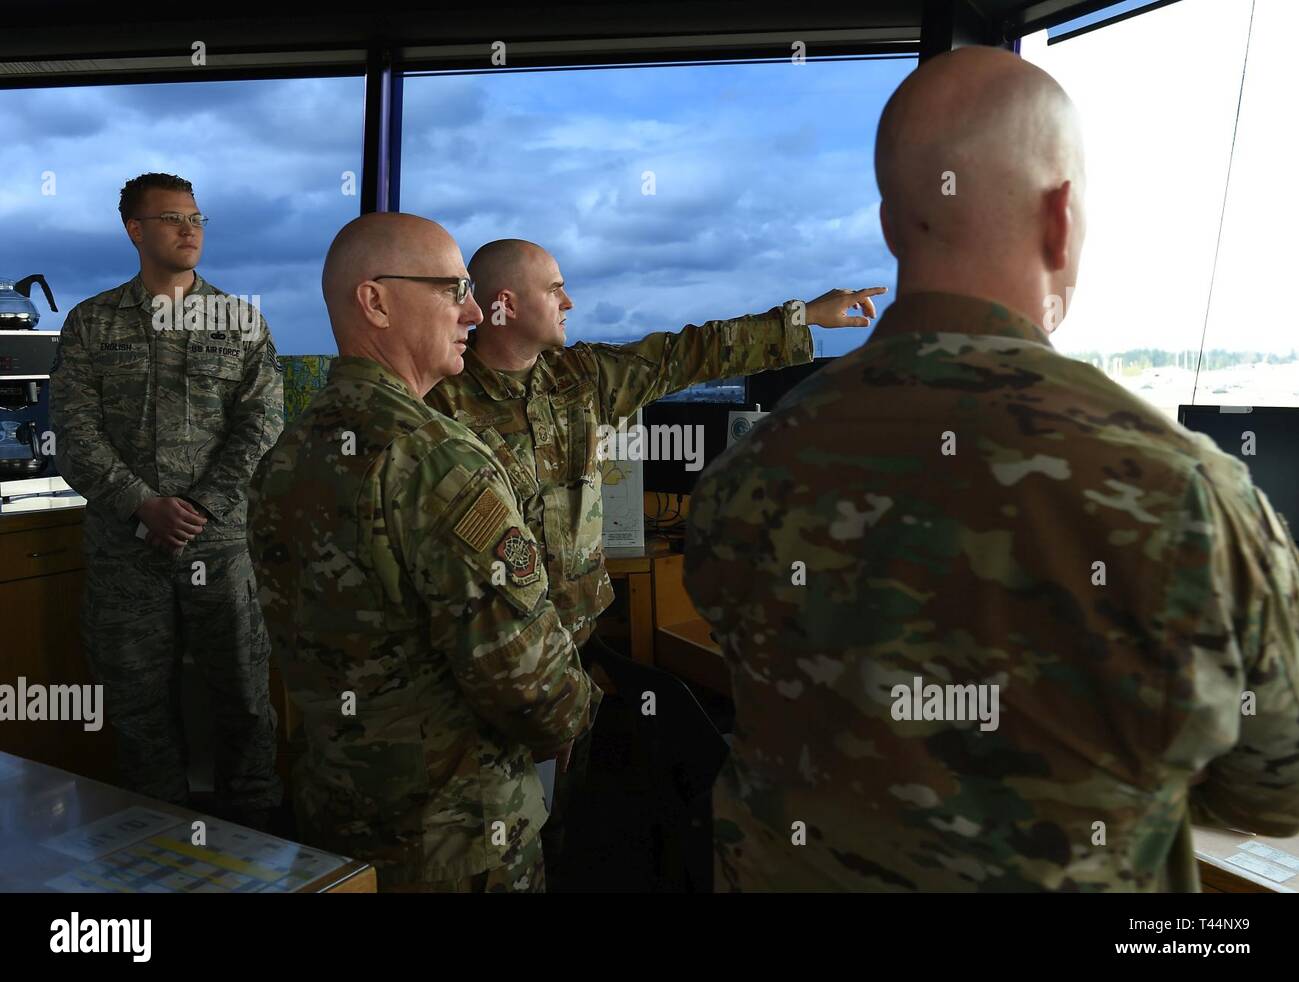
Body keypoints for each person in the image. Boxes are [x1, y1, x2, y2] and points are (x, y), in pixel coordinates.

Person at [684, 45, 1299, 892]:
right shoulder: (1181, 492)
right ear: (1061, 218)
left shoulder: (744, 473)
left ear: (893, 224)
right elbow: (1276, 787)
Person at [426, 237, 885, 881]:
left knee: (568, 823)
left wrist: (803, 319)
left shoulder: (577, 379)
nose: (570, 301)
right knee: (496, 834)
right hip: (486, 664)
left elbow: (684, 353)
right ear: (504, 305)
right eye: (554, 288)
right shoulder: (437, 404)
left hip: (575, 644)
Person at [247, 213, 593, 892]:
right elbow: (534, 691)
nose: (472, 310)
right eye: (451, 289)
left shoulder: (287, 455)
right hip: (459, 842)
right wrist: (579, 712)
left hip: (335, 828)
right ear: (375, 301)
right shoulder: (440, 460)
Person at [50, 172, 283, 829]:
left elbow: (261, 426)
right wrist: (142, 503)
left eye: (197, 217)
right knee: (135, 699)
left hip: (220, 543)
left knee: (241, 690)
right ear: (135, 231)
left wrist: (201, 504)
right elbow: (74, 431)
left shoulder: (239, 320)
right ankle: (156, 830)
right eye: (173, 218)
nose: (190, 229)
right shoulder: (91, 323)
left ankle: (259, 830)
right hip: (126, 547)